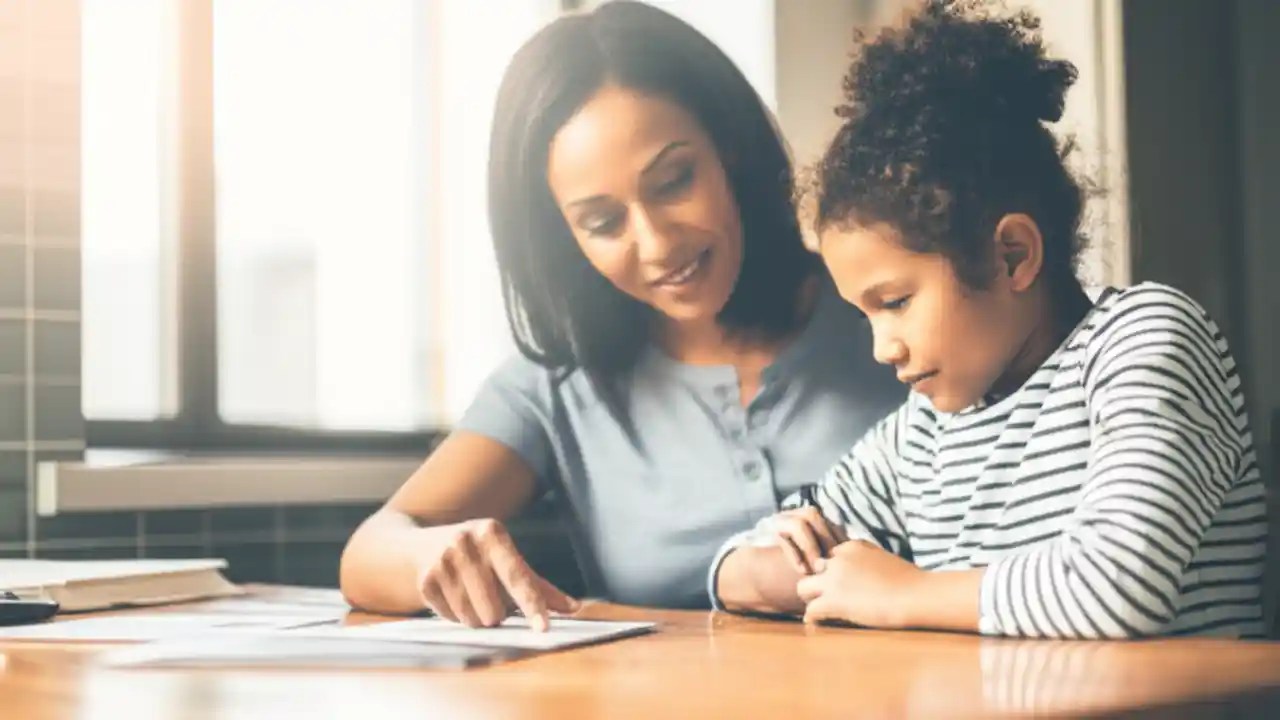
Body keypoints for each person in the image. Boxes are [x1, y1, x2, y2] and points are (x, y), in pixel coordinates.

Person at [339, 0, 902, 630]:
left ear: (730, 150)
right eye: (603, 222)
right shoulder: (555, 387)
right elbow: (369, 551)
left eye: (673, 181)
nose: (658, 244)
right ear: (563, 238)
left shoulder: (891, 307)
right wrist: (429, 555)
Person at [712, 0, 1266, 639]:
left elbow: (1118, 585)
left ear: (1013, 256)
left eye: (894, 303)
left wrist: (903, 594)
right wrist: (781, 561)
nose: (880, 348)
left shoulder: (1145, 340)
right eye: (863, 314)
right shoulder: (923, 433)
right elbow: (737, 566)